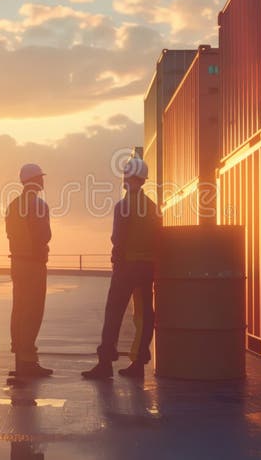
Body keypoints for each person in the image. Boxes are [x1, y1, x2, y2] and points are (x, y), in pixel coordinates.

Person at [82, 157, 161, 379]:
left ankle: (105, 363)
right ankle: (138, 363)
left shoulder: (123, 206)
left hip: (126, 266)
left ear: (127, 179)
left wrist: (118, 261)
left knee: (114, 314)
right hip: (146, 268)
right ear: (143, 180)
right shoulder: (153, 207)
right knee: (144, 316)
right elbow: (158, 238)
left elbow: (118, 238)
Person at [5, 163, 53, 378]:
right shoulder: (39, 204)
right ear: (35, 180)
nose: (43, 181)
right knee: (33, 311)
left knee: (19, 308)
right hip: (34, 263)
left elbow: (10, 233)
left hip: (17, 262)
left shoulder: (13, 205)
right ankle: (28, 361)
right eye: (41, 177)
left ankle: (19, 356)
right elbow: (45, 235)